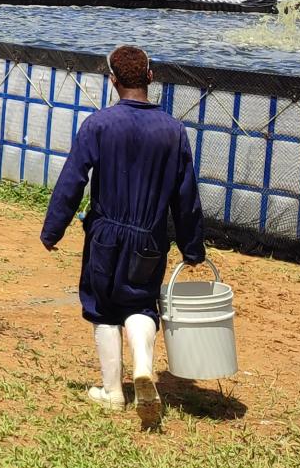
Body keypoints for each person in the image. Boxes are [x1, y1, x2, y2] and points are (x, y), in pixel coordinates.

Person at [41, 44, 206, 430]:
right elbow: (186, 198)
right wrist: (192, 247)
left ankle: (113, 390)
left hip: (104, 235)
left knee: (103, 308)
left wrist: (53, 229)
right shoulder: (174, 131)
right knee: (142, 304)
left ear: (112, 80)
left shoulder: (98, 124)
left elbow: (72, 181)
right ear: (150, 77)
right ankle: (145, 367)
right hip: (149, 237)